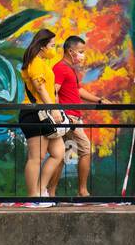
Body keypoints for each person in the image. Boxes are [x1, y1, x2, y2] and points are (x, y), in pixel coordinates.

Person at [48, 35, 105, 199]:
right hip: (69, 119)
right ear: (70, 51)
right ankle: (82, 191)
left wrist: (98, 100)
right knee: (85, 149)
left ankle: (50, 193)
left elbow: (78, 91)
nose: (82, 55)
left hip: (69, 118)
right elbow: (54, 91)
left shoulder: (69, 69)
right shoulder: (60, 68)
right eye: (80, 51)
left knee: (60, 155)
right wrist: (59, 113)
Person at [18, 28, 65, 204]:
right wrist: (53, 108)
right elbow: (40, 88)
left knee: (58, 152)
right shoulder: (35, 62)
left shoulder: (43, 63)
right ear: (43, 46)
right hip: (35, 113)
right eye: (52, 45)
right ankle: (32, 197)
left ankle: (40, 190)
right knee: (35, 157)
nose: (54, 48)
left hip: (46, 114)